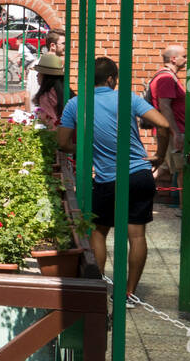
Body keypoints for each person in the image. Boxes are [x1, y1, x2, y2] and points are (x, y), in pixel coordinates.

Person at [57, 57, 171, 305]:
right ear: (111, 79)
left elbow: (63, 143)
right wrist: (160, 156)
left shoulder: (76, 104)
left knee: (98, 232)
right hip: (140, 174)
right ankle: (129, 293)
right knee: (137, 236)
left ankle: (97, 286)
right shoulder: (127, 98)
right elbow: (163, 124)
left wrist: (87, 147)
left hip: (109, 179)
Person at [149, 44, 187, 194]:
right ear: (173, 59)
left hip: (171, 130)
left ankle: (131, 192)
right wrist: (176, 133)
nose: (186, 60)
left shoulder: (169, 76)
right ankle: (185, 212)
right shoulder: (166, 77)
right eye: (184, 56)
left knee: (164, 167)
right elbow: (165, 106)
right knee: (183, 170)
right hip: (174, 131)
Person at [25, 28, 66, 101]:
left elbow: (27, 95)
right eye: (64, 44)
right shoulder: (50, 66)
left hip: (37, 110)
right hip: (48, 109)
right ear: (53, 45)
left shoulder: (35, 64)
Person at [31, 52, 65, 128]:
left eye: (39, 72)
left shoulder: (46, 97)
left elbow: (52, 121)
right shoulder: (64, 90)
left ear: (45, 76)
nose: (37, 75)